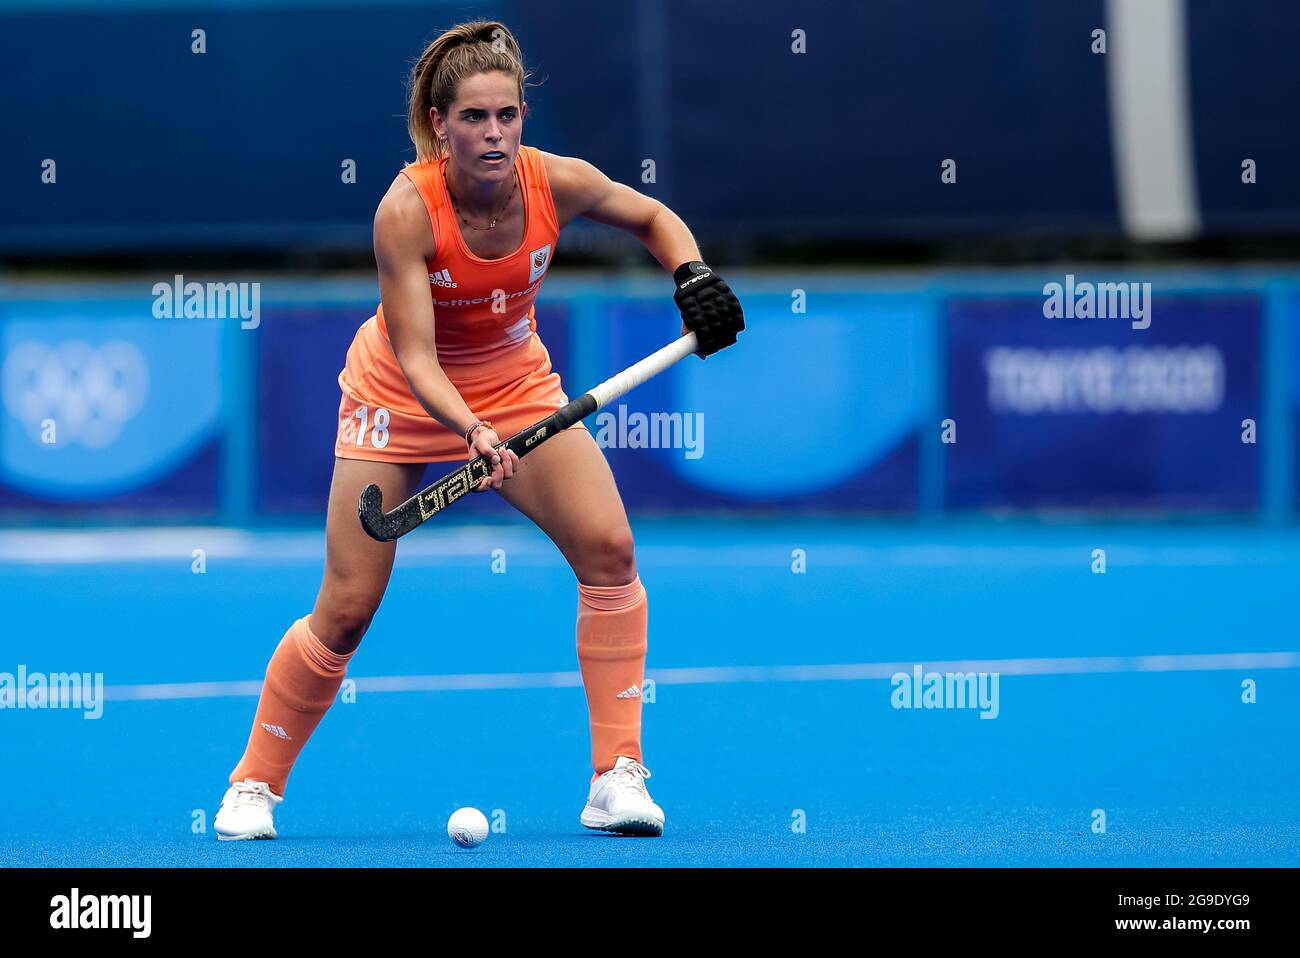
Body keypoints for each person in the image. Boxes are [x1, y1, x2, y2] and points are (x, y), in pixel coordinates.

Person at [214, 19, 744, 840]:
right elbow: (419, 358)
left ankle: (616, 776)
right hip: (399, 395)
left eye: (506, 116)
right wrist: (472, 433)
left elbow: (650, 215)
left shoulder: (554, 181)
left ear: (523, 116)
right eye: (473, 119)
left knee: (611, 553)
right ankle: (254, 784)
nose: (493, 135)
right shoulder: (406, 211)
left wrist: (693, 274)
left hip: (517, 386)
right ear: (438, 126)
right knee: (347, 608)